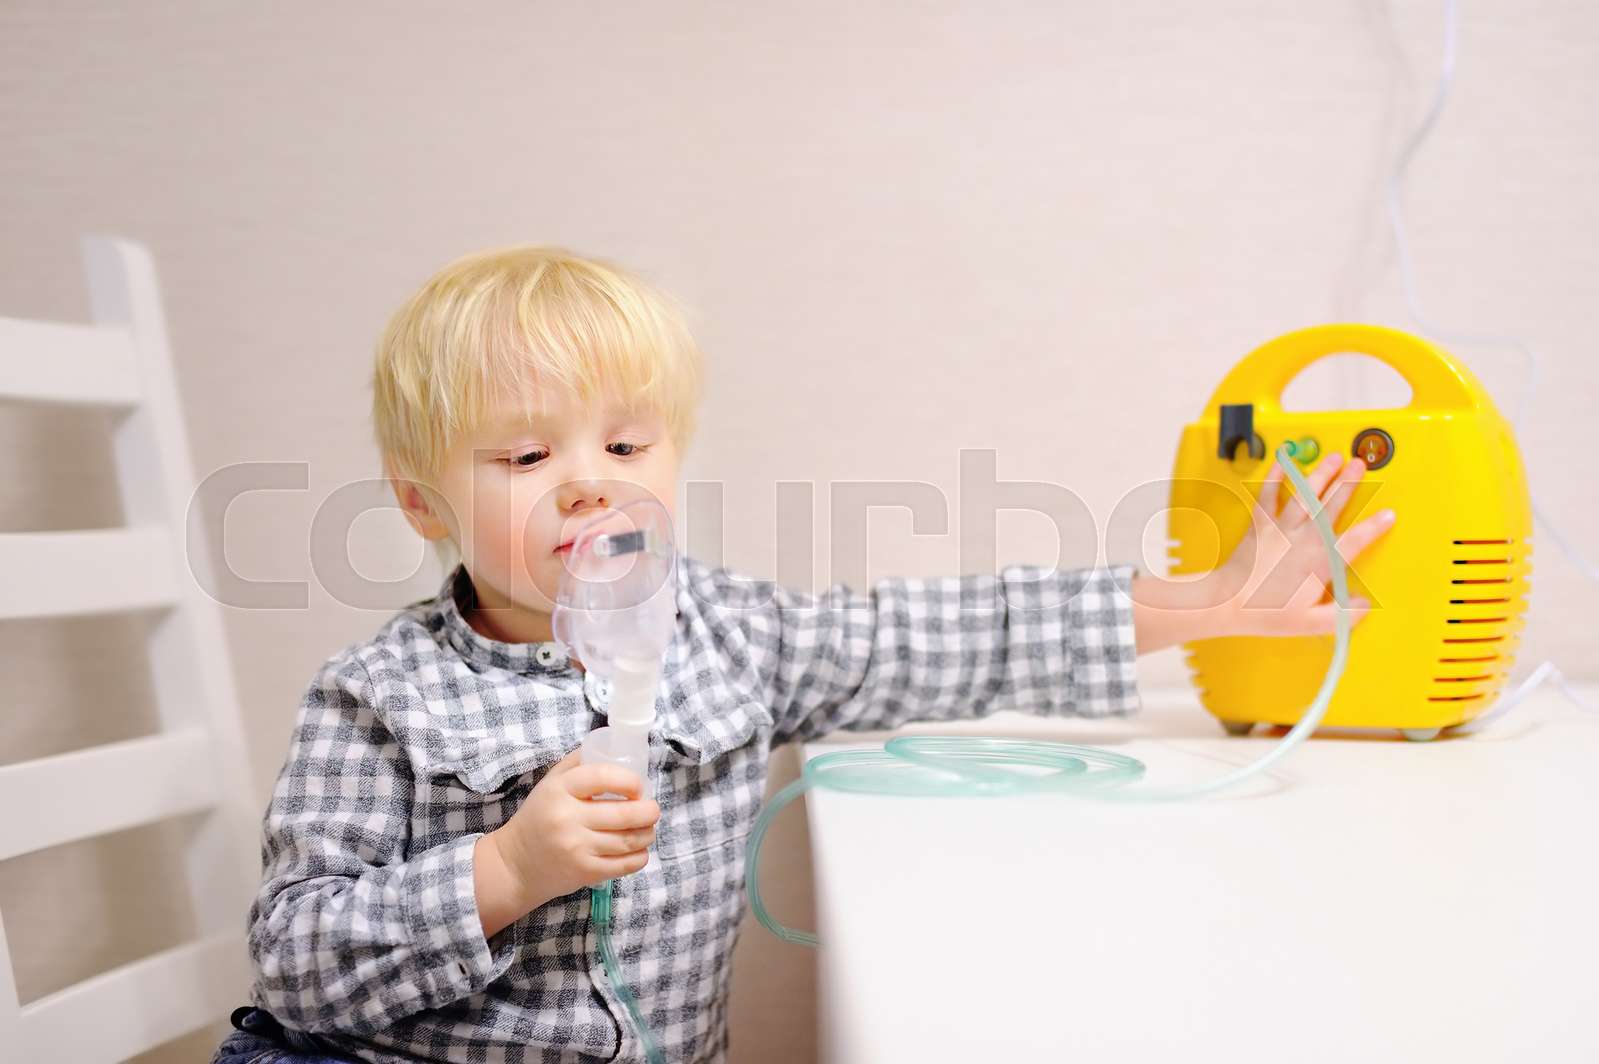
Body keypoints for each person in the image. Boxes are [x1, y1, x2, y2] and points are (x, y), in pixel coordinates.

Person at [212, 244, 1393, 1064]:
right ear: (424, 505)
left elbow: (942, 638)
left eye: (626, 439)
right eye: (524, 458)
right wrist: (505, 869)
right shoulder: (376, 701)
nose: (589, 479)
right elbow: (296, 960)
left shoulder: (733, 637)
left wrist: (1203, 602)